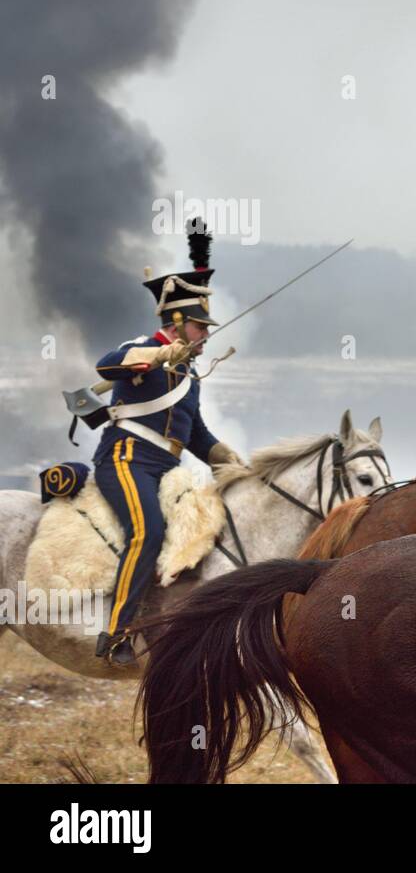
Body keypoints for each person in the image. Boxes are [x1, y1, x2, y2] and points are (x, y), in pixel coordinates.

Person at [92, 218, 241, 666]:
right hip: (126, 459)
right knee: (148, 531)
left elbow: (194, 433)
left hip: (167, 468)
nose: (206, 335)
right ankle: (118, 632)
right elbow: (107, 365)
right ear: (177, 323)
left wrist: (228, 460)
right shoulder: (142, 348)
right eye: (200, 327)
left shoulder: (190, 374)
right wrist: (159, 355)